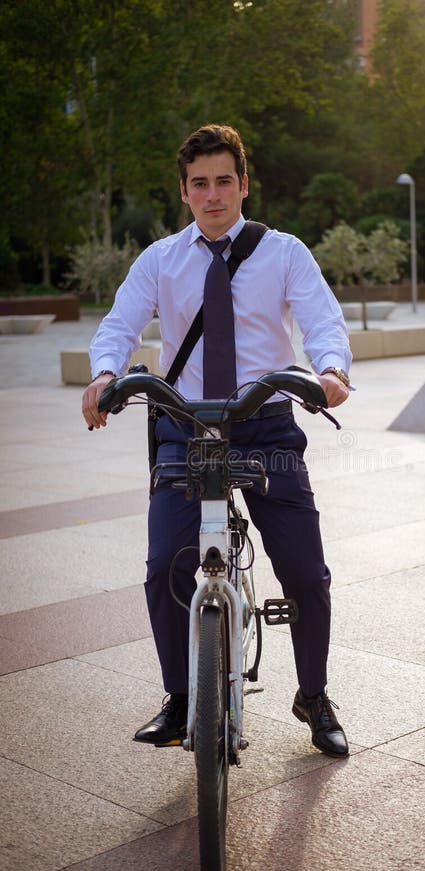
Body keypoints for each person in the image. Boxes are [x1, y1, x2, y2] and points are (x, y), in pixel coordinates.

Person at [82, 124, 352, 757]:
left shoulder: (284, 253)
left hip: (265, 423)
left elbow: (322, 319)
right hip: (187, 426)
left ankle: (313, 696)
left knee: (306, 573)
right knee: (163, 567)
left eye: (223, 181)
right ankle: (181, 700)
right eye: (199, 184)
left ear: (243, 185)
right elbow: (120, 325)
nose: (212, 195)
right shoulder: (160, 260)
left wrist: (331, 371)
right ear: (183, 191)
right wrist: (105, 375)